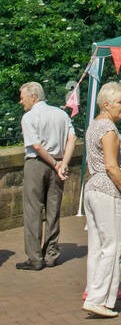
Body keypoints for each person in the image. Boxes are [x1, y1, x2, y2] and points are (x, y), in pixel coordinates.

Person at [83, 82, 121, 316]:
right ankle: (99, 298)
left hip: (92, 187)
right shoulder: (108, 130)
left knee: (98, 245)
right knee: (114, 245)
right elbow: (111, 166)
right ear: (106, 105)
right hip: (106, 190)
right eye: (120, 102)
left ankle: (95, 289)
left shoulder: (94, 125)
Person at [17, 82, 77, 271]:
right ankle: (51, 254)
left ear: (33, 97)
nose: (21, 101)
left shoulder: (28, 117)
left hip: (37, 164)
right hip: (58, 163)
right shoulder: (61, 114)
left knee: (33, 209)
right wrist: (63, 163)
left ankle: (35, 257)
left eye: (22, 97)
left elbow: (36, 146)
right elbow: (72, 138)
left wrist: (55, 163)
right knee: (53, 209)